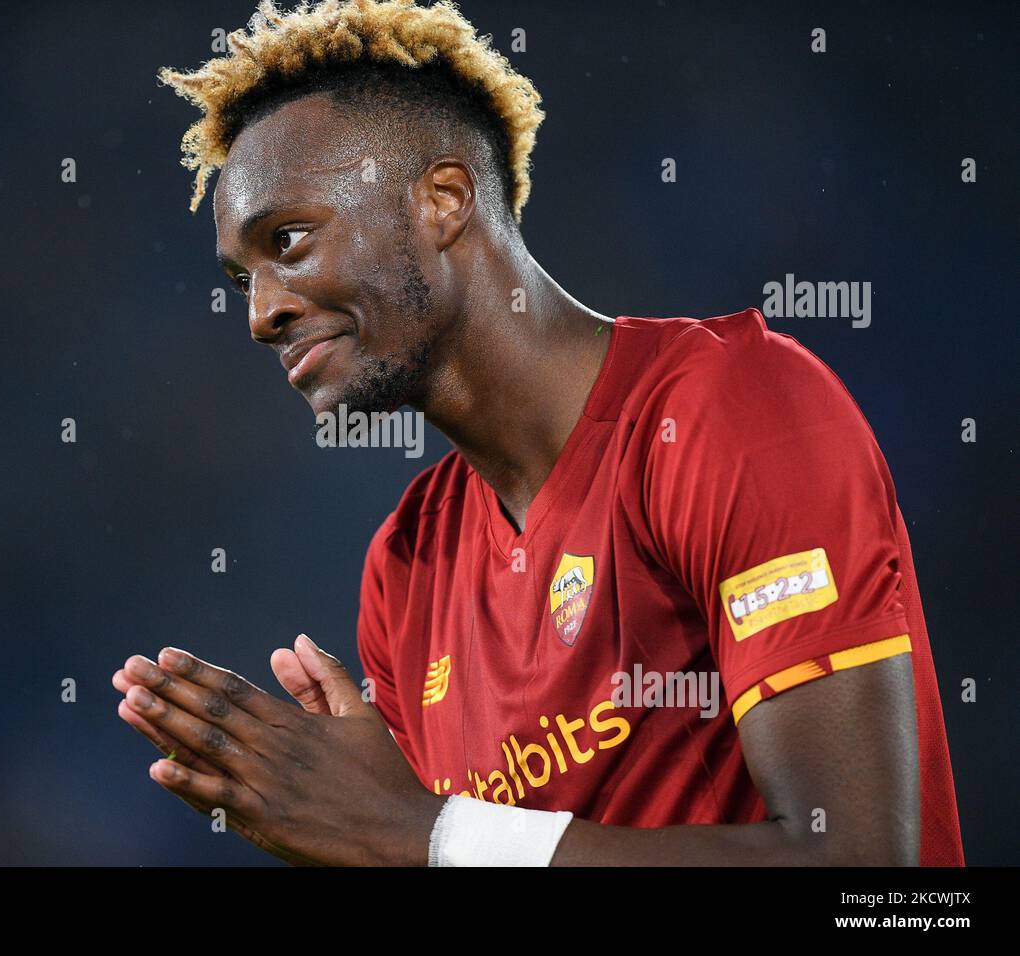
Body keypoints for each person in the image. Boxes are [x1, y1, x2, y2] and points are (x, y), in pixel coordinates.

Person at [112, 0, 963, 866]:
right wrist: (366, 842)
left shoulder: (729, 411)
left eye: (287, 240)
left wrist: (421, 832)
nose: (260, 314)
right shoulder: (407, 571)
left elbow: (862, 874)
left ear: (443, 200)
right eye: (238, 277)